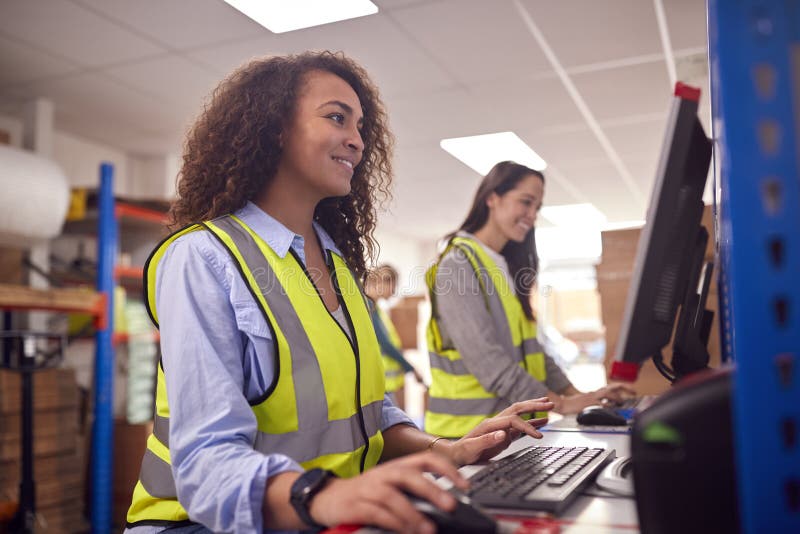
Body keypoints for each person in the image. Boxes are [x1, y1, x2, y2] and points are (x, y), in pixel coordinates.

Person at [124, 52, 554, 534]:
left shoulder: (338, 265)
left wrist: (444, 450)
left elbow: (364, 411)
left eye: (361, 126)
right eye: (336, 118)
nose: (357, 140)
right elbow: (206, 466)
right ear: (275, 128)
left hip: (314, 518)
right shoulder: (203, 257)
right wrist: (325, 496)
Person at [424, 161, 634, 438]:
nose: (532, 215)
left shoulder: (501, 265)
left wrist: (581, 396)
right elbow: (489, 362)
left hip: (510, 430)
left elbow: (532, 351)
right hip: (467, 435)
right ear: (492, 198)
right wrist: (561, 404)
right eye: (526, 202)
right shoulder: (458, 265)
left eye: (537, 208)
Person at [364, 264, 424, 410]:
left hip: (384, 383)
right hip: (381, 383)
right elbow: (386, 344)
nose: (394, 292)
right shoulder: (369, 307)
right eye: (393, 285)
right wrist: (411, 368)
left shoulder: (376, 308)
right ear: (383, 282)